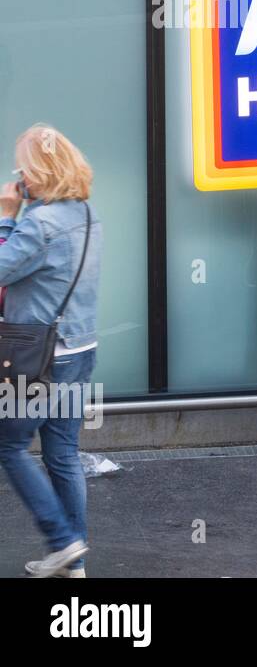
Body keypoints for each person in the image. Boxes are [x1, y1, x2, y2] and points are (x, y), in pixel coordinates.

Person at [0, 124, 102, 578]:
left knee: (10, 446)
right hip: (80, 350)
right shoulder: (85, 213)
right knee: (62, 454)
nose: (19, 173)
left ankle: (61, 541)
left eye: (24, 165)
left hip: (39, 359)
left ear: (38, 171)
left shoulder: (38, 225)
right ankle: (72, 561)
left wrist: (6, 214)